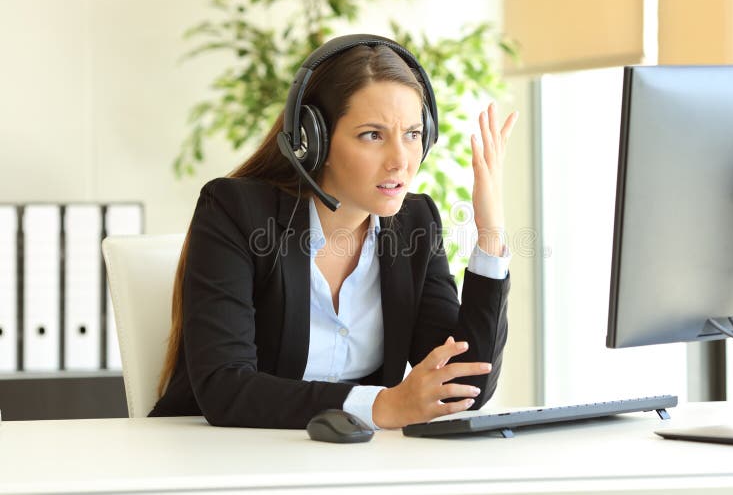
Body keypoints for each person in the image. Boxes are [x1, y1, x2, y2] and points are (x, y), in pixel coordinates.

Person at [149, 34, 518, 430]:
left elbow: (464, 385)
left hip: (350, 463)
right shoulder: (236, 211)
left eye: (412, 134)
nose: (400, 161)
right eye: (372, 135)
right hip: (211, 461)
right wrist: (380, 406)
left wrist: (490, 235)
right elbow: (225, 387)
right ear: (314, 140)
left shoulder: (416, 224)